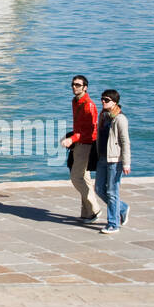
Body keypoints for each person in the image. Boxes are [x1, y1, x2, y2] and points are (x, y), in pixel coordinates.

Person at [59, 75, 101, 223]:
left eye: (77, 85)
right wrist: (71, 137)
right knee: (85, 179)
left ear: (85, 87)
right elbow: (79, 126)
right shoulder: (75, 101)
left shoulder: (88, 105)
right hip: (79, 142)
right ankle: (87, 213)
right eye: (72, 84)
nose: (74, 87)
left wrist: (72, 139)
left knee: (76, 178)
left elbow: (90, 130)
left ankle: (95, 208)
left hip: (86, 144)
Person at [92, 89, 132, 234]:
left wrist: (126, 163)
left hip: (115, 160)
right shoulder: (104, 115)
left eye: (106, 100)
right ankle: (122, 208)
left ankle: (113, 224)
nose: (103, 101)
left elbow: (125, 142)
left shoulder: (120, 119)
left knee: (112, 191)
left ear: (114, 102)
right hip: (102, 157)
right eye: (102, 99)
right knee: (98, 189)